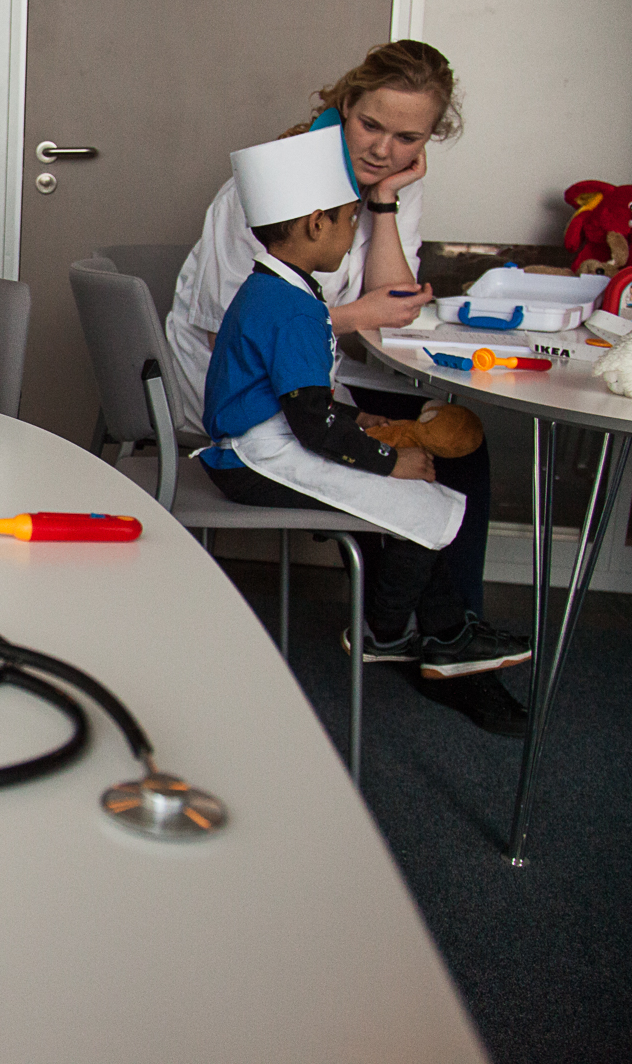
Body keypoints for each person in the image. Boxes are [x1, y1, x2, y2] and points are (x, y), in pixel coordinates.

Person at [168, 41, 519, 733]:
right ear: (343, 106)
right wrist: (357, 319)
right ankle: (410, 629)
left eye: (407, 138)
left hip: (318, 364)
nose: (386, 149)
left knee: (457, 446)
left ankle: (444, 637)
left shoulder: (387, 185)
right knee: (394, 455)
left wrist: (384, 205)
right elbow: (235, 320)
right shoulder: (274, 182)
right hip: (236, 385)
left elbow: (392, 305)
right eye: (371, 127)